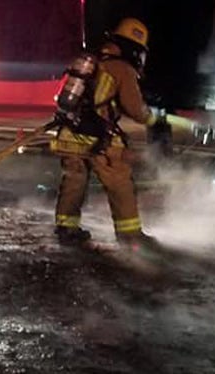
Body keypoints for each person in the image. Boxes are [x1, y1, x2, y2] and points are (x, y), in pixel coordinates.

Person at [51, 17, 185, 252]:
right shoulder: (122, 68)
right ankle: (130, 234)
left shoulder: (90, 60)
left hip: (70, 133)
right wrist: (153, 119)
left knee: (74, 181)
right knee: (120, 182)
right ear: (134, 48)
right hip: (98, 138)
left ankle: (66, 228)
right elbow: (135, 109)